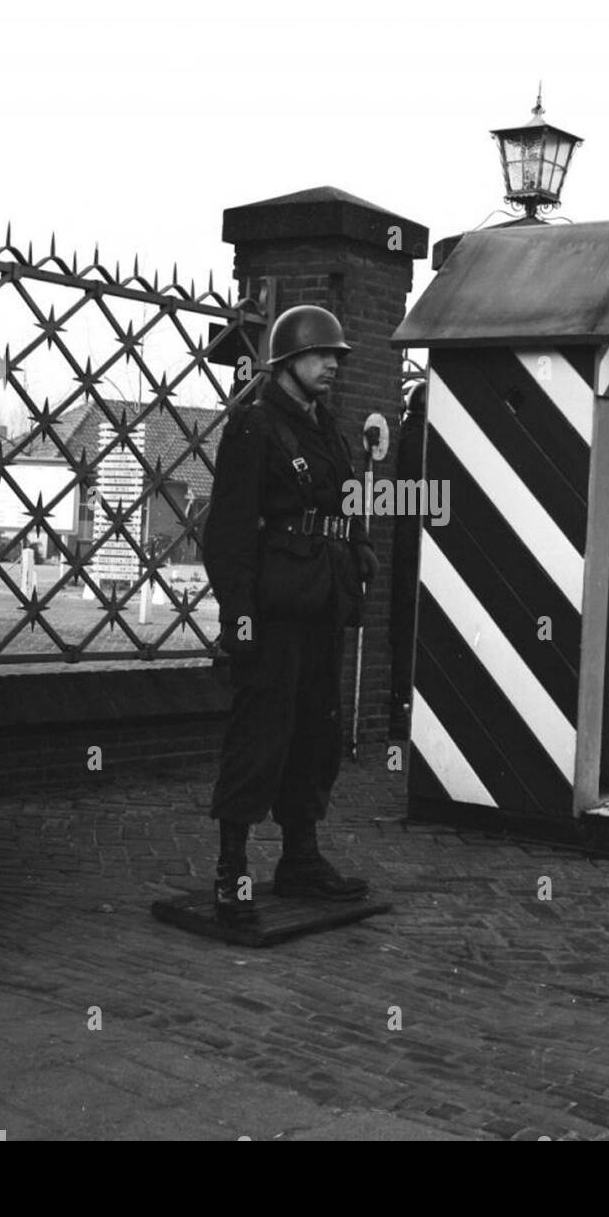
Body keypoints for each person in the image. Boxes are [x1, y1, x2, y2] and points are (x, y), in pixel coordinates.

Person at [202, 304, 381, 918]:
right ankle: (232, 868)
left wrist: (358, 545)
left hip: (324, 602)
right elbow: (227, 533)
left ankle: (301, 858)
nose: (332, 364)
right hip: (275, 610)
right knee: (260, 736)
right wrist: (238, 616)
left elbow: (346, 497)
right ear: (287, 361)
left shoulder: (326, 426)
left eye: (336, 355)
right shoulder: (253, 427)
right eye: (320, 354)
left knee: (317, 734)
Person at [388, 379, 426, 738]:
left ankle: (399, 702)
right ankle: (404, 706)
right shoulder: (426, 444)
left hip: (402, 547)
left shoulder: (405, 439)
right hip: (417, 550)